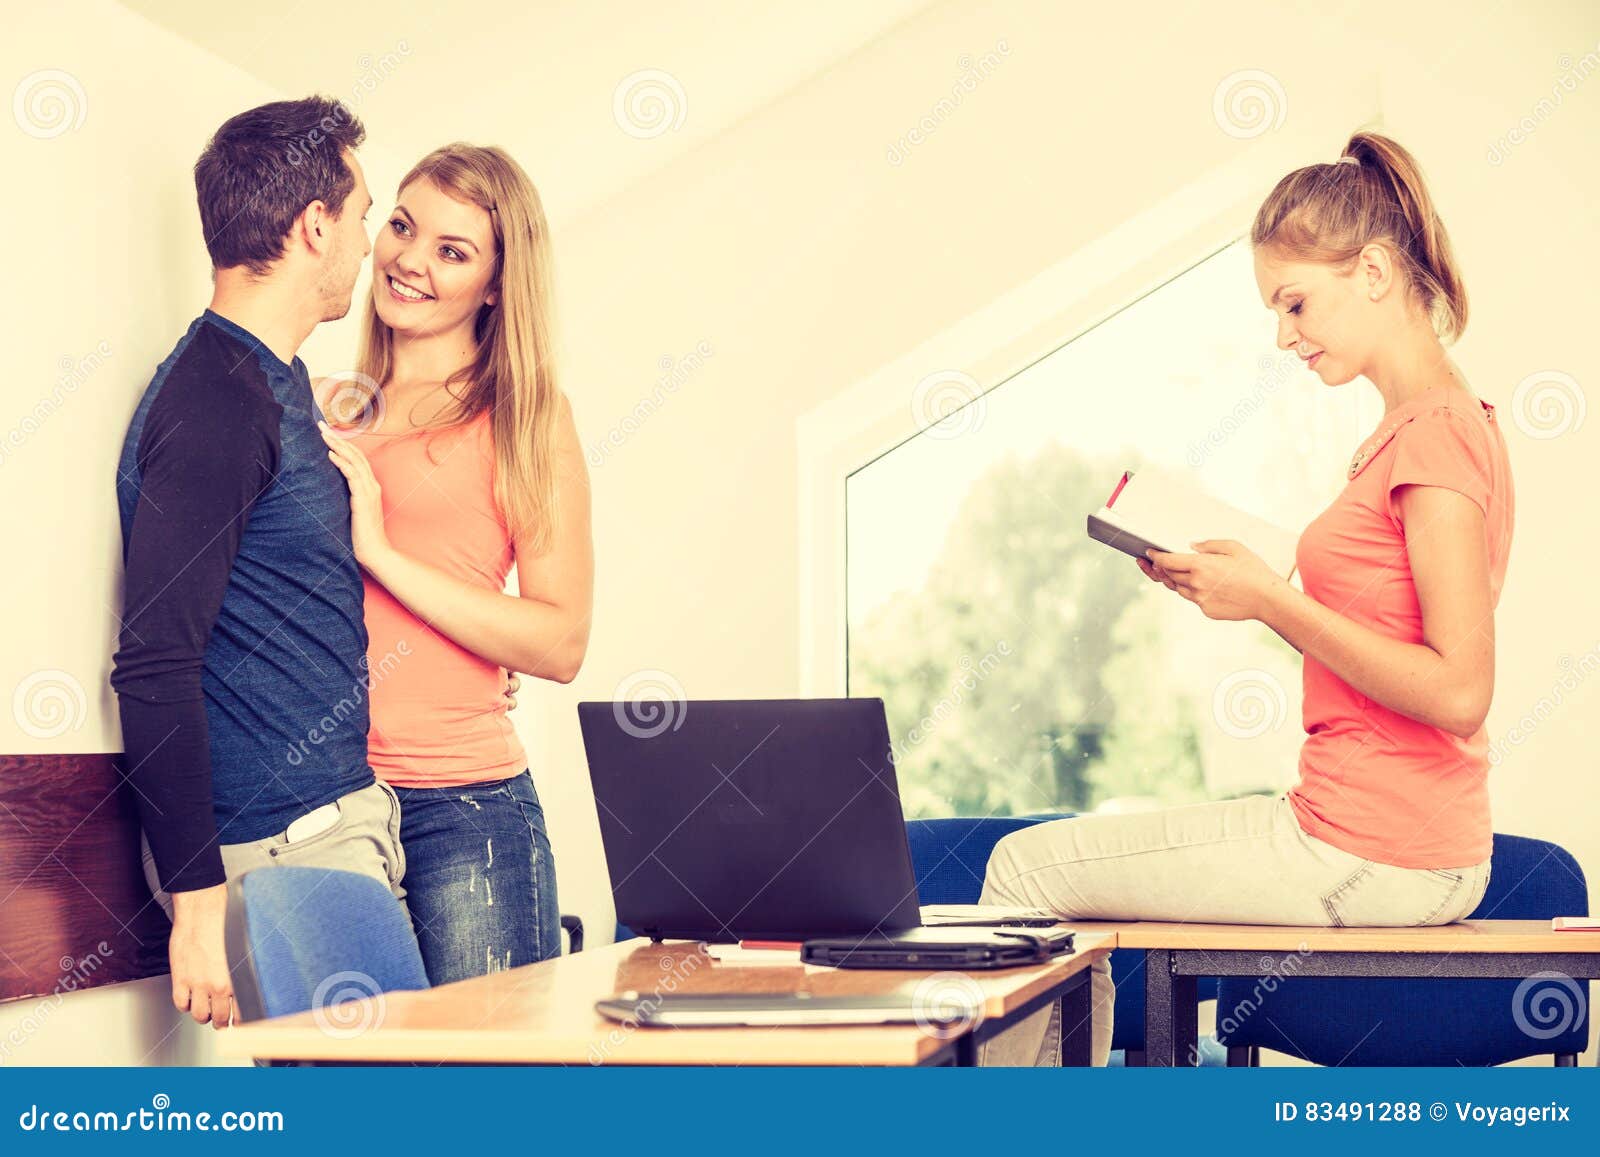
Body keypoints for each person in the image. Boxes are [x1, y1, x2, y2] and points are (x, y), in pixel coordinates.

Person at [979, 131, 1512, 1065]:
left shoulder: (1434, 436)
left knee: (1022, 868)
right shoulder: (1423, 431)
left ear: (1377, 271)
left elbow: (1461, 688)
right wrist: (1242, 591)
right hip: (1383, 837)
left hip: (1377, 848)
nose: (1285, 334)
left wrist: (1272, 599)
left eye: (1296, 301)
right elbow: (1379, 651)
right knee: (1058, 886)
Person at [111, 97, 400, 1030]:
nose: (366, 241)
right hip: (287, 850)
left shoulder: (267, 383)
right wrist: (196, 909)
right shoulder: (215, 402)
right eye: (361, 214)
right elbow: (154, 661)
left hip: (322, 833)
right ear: (314, 226)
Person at [318, 143, 593, 985]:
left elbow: (560, 641)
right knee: (356, 1098)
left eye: (452, 250)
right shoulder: (322, 407)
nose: (409, 260)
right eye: (402, 226)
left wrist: (383, 555)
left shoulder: (526, 417)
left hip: (468, 808)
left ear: (497, 284)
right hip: (327, 808)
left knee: (487, 1101)